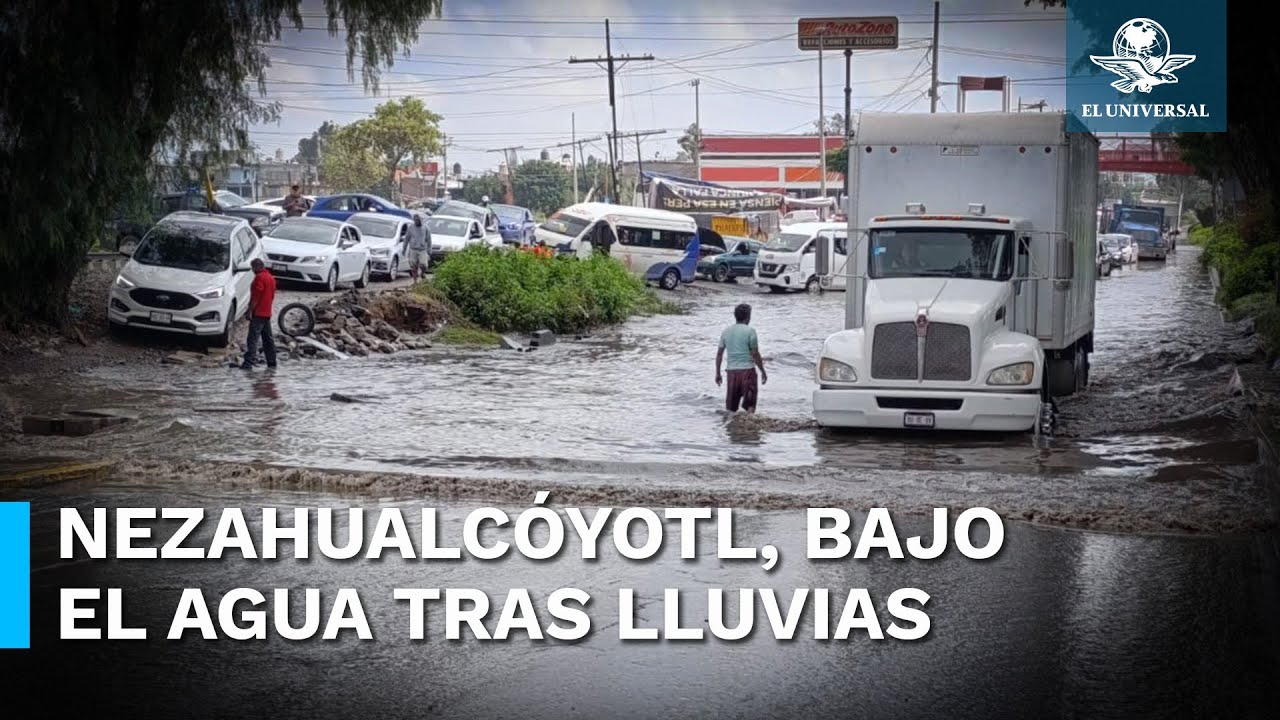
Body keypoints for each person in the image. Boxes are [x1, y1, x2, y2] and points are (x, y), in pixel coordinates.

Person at [715, 303, 767, 413]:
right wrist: (762, 370)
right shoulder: (750, 331)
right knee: (750, 407)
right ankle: (750, 429)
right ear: (748, 317)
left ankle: (730, 429)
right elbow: (755, 353)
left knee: (731, 409)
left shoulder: (726, 332)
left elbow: (719, 354)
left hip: (732, 373)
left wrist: (718, 373)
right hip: (747, 373)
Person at [241, 258, 278, 369]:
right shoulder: (271, 278)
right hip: (267, 313)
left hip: (258, 313)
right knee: (268, 339)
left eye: (253, 268)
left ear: (256, 267)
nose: (252, 270)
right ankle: (272, 362)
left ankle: (248, 363)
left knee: (252, 339)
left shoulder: (259, 278)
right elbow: (272, 296)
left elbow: (256, 297)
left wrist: (250, 310)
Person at [406, 214, 432, 280]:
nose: (417, 221)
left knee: (423, 264)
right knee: (413, 265)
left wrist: (429, 250)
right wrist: (404, 247)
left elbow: (429, 239)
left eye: (418, 220)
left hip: (422, 249)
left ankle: (422, 273)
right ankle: (415, 281)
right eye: (416, 220)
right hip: (413, 249)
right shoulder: (411, 227)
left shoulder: (426, 228)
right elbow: (407, 238)